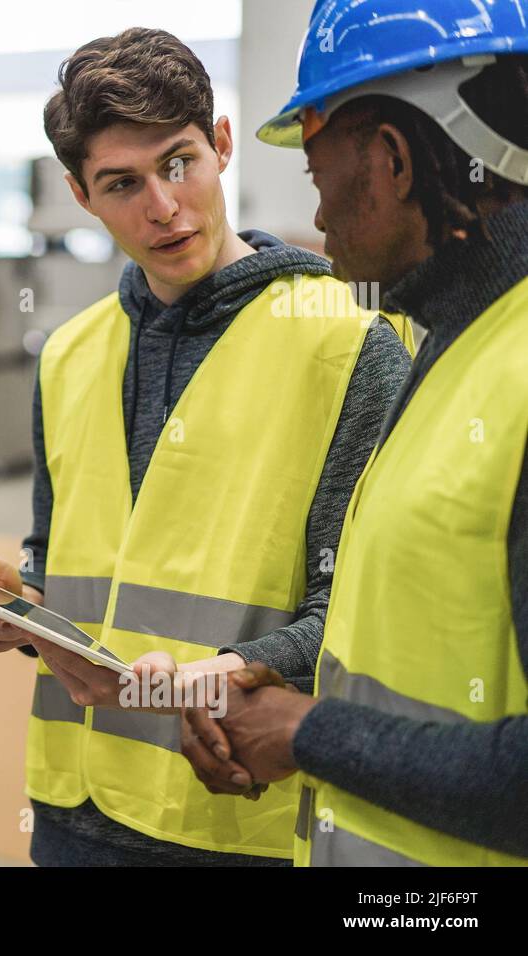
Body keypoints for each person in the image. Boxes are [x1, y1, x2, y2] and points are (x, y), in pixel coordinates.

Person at [0, 27, 414, 866]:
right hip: (69, 806)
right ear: (79, 195)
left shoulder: (348, 343)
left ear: (224, 144)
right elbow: (62, 560)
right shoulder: (68, 355)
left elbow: (357, 619)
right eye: (121, 183)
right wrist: (23, 610)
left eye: (179, 163)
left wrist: (234, 666)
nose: (162, 207)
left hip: (226, 820)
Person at [181, 0, 528, 866]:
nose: (324, 227)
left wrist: (305, 732)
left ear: (392, 160)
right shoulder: (447, 343)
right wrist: (297, 686)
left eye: (317, 176)